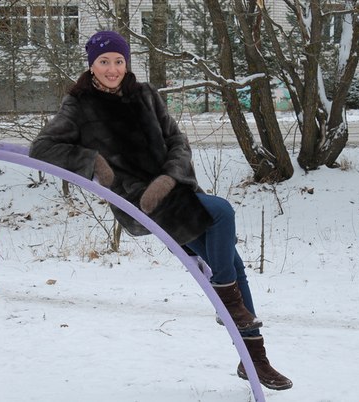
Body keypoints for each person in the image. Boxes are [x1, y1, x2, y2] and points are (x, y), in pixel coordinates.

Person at [29, 30, 292, 391]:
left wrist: (169, 177)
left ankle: (254, 360)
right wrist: (94, 162)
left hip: (174, 190)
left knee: (232, 266)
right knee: (222, 213)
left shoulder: (145, 94)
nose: (112, 68)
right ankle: (230, 308)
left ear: (126, 63)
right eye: (104, 62)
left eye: (118, 61)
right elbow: (42, 148)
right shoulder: (79, 105)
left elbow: (177, 141)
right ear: (91, 65)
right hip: (139, 201)